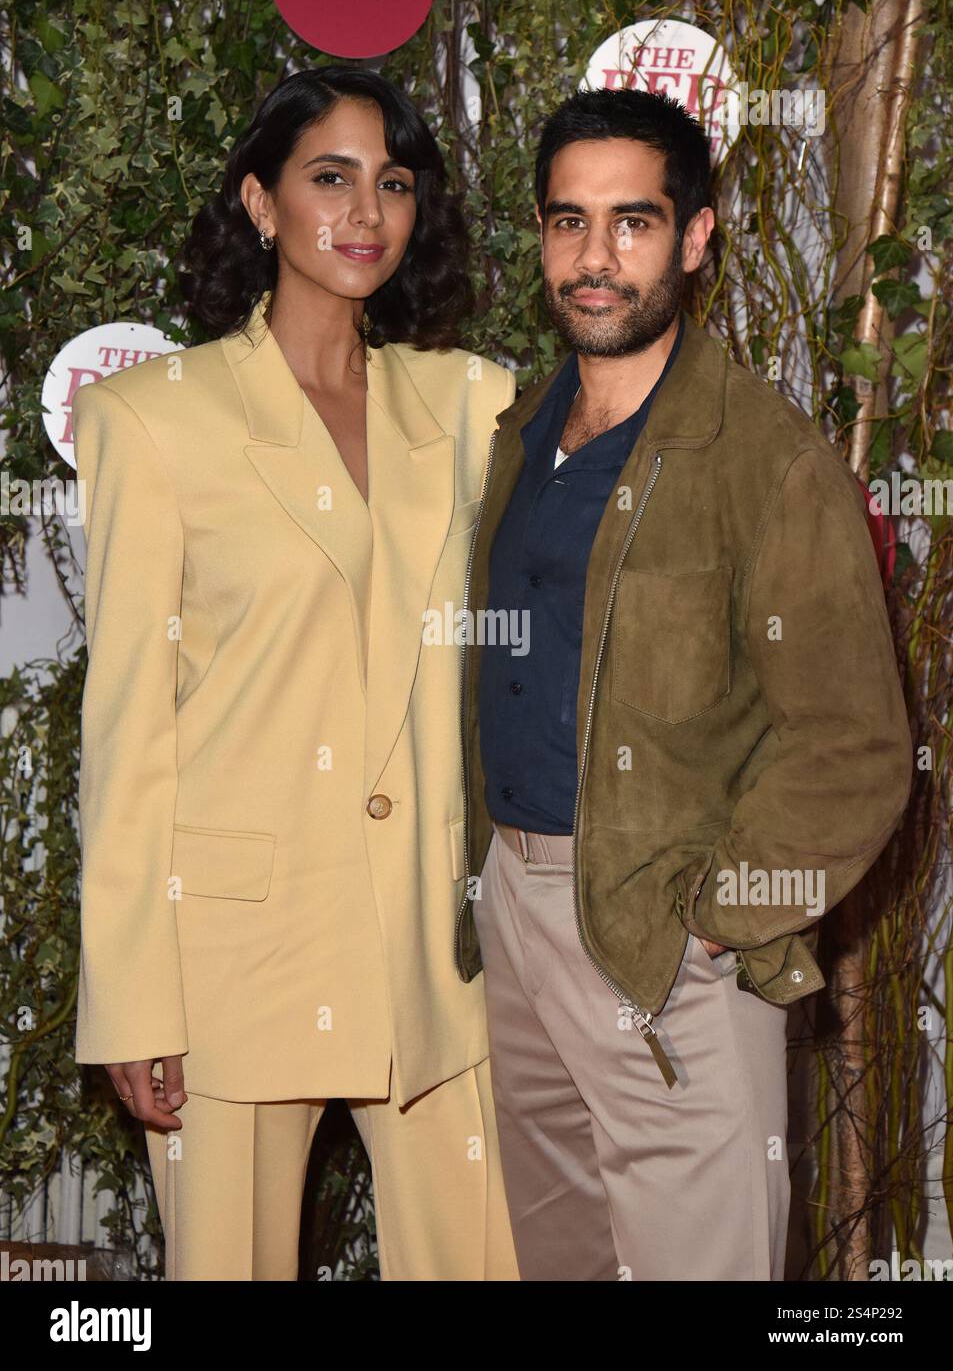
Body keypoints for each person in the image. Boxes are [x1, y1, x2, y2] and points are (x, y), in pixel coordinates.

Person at [457, 87, 913, 1281]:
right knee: (558, 1259)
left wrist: (719, 914)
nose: (593, 259)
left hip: (670, 941)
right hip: (518, 905)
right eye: (567, 222)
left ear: (696, 237)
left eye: (632, 222)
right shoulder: (522, 432)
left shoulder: (768, 460)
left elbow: (855, 745)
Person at [72, 66, 518, 1281]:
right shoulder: (151, 420)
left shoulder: (473, 404)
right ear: (261, 203)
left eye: (393, 183)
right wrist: (130, 1000)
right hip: (229, 964)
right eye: (330, 177)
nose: (365, 208)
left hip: (438, 953)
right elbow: (125, 731)